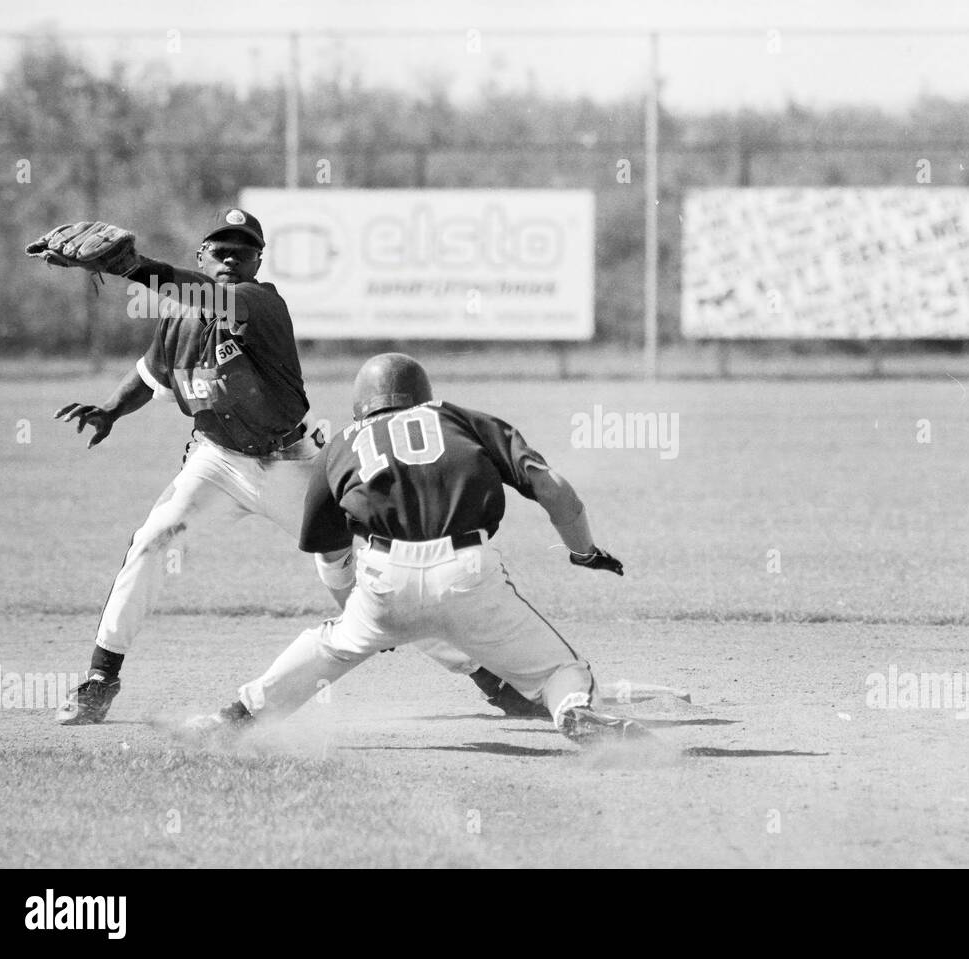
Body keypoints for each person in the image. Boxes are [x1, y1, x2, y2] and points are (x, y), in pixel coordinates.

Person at [37, 210, 538, 724]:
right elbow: (151, 374)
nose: (231, 257)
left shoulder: (260, 303)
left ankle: (490, 679)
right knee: (152, 541)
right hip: (216, 461)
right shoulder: (178, 317)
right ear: (201, 256)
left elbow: (207, 298)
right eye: (220, 248)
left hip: (294, 465)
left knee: (376, 581)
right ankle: (101, 678)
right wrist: (111, 410)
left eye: (244, 249)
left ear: (258, 260)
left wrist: (133, 267)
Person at [178, 353, 649, 747]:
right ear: (425, 394)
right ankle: (570, 710)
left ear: (361, 406)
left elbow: (328, 551)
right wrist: (584, 551)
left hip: (385, 578)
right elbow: (553, 489)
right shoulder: (463, 419)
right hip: (467, 571)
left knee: (329, 644)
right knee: (561, 670)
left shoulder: (341, 444)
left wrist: (362, 615)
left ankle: (237, 717)